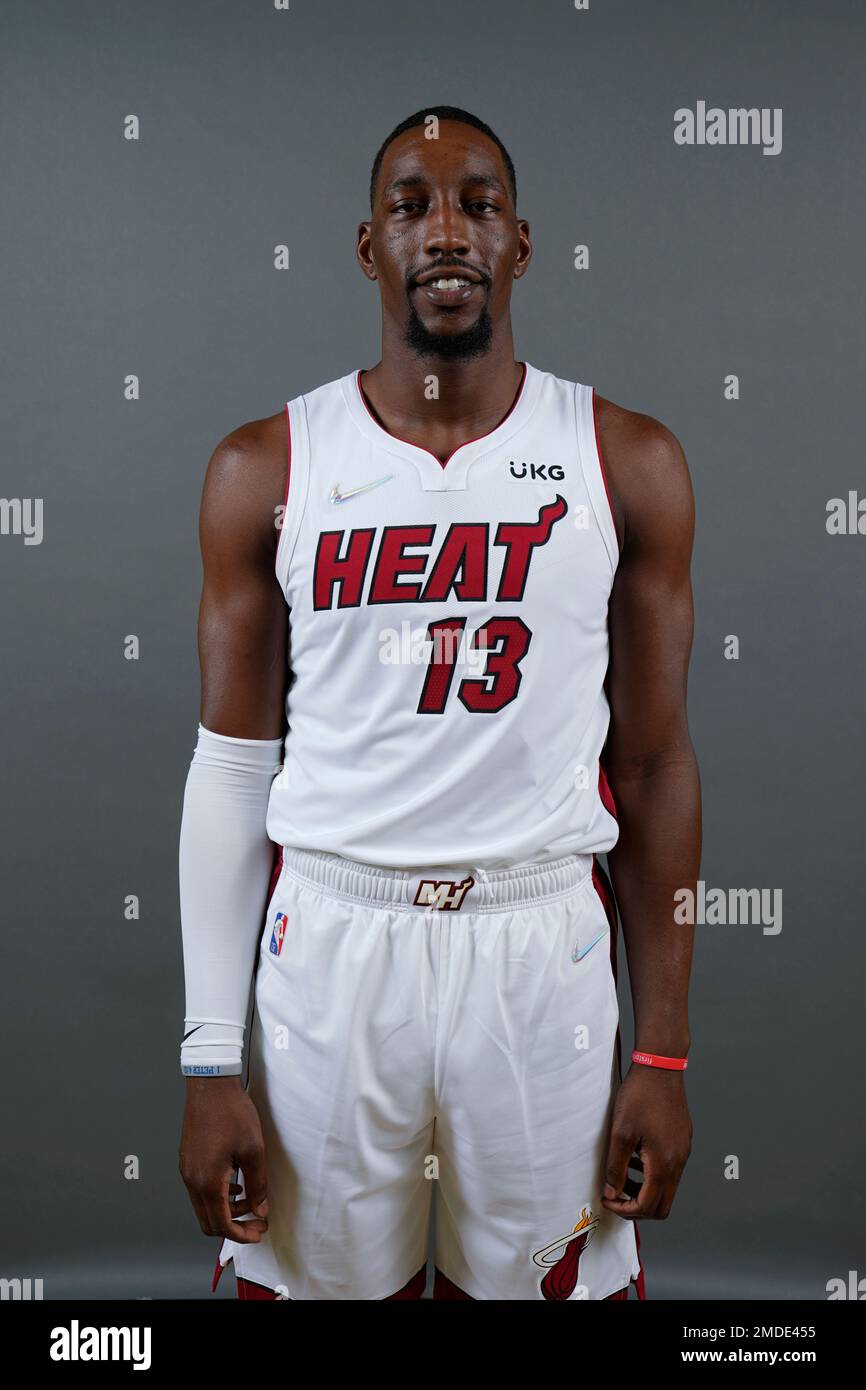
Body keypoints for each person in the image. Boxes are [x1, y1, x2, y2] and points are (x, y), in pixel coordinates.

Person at [177, 105, 699, 1302]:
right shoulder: (269, 466)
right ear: (371, 247)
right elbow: (230, 769)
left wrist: (660, 1049)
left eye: (478, 203)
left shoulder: (624, 460)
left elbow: (659, 764)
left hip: (538, 944)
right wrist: (211, 1058)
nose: (446, 230)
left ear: (521, 242)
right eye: (411, 205)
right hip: (332, 938)